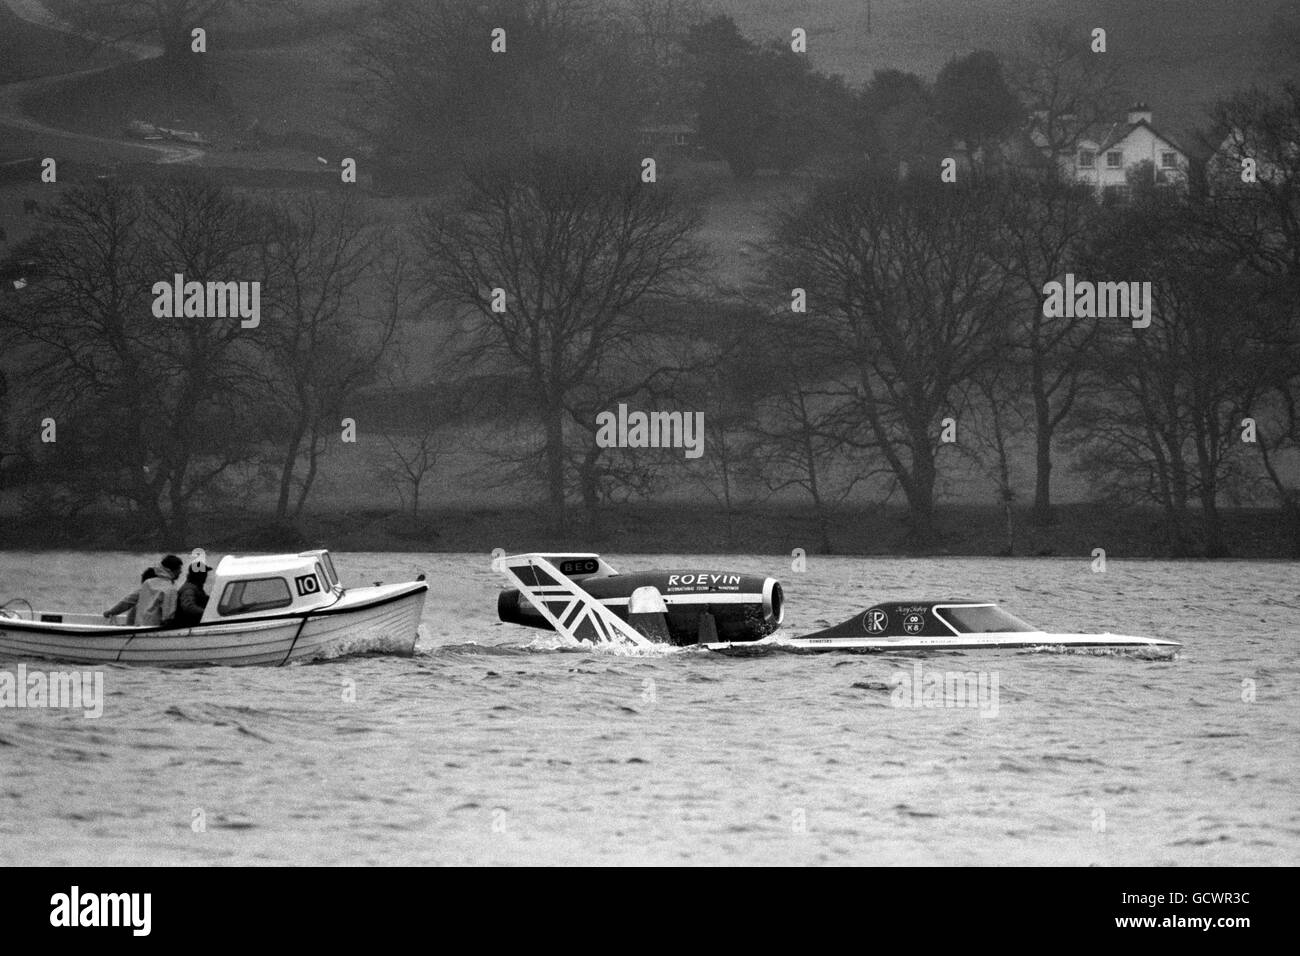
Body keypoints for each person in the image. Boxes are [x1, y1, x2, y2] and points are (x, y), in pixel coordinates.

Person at [134, 554, 183, 626]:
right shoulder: (170, 589)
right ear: (171, 570)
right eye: (179, 569)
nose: (180, 572)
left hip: (139, 625)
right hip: (153, 628)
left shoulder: (147, 583)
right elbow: (168, 615)